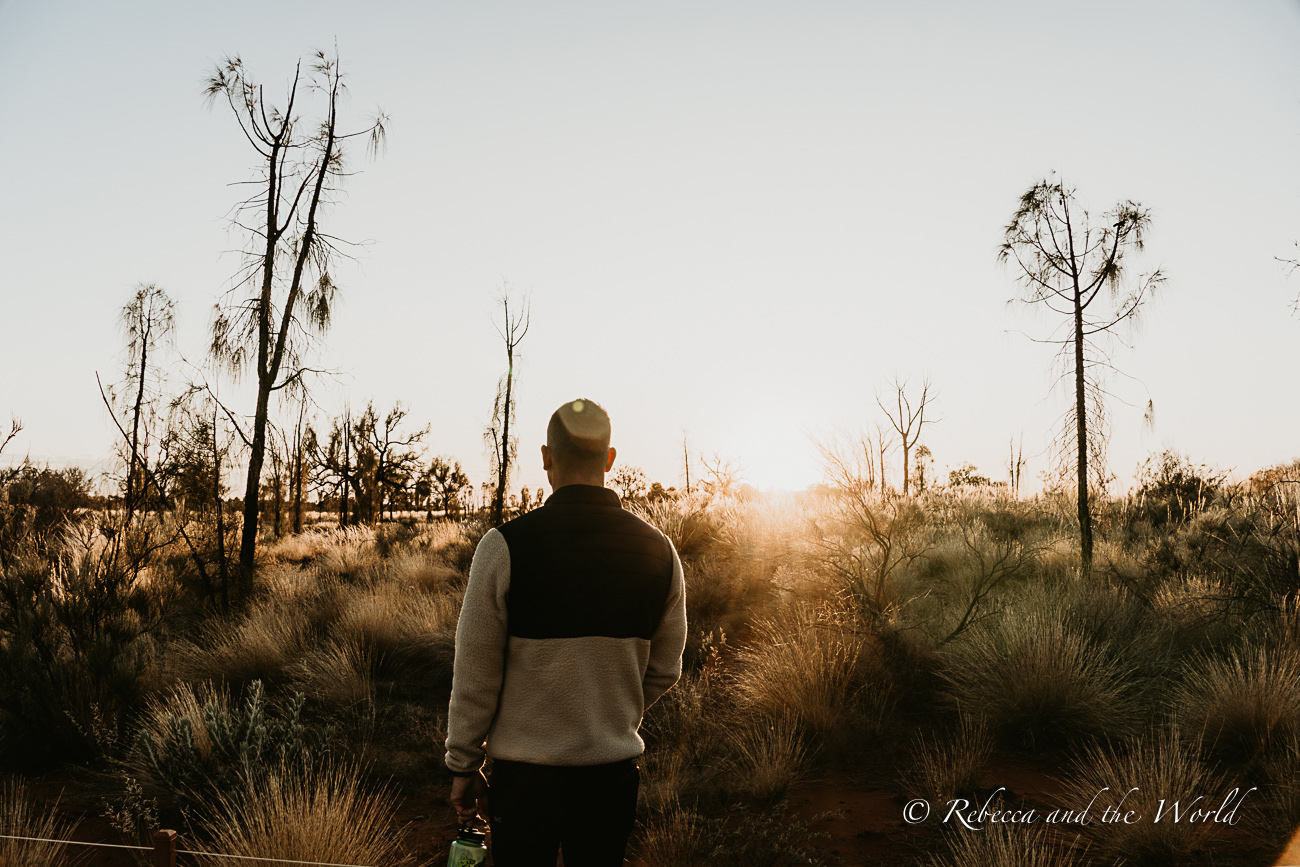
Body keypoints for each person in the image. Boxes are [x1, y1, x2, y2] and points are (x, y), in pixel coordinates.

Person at [445, 398, 688, 867]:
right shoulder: (659, 551)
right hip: (611, 776)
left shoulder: (503, 546)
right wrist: (607, 712)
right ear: (610, 459)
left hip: (524, 780)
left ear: (546, 457)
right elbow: (665, 668)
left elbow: (476, 673)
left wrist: (463, 764)